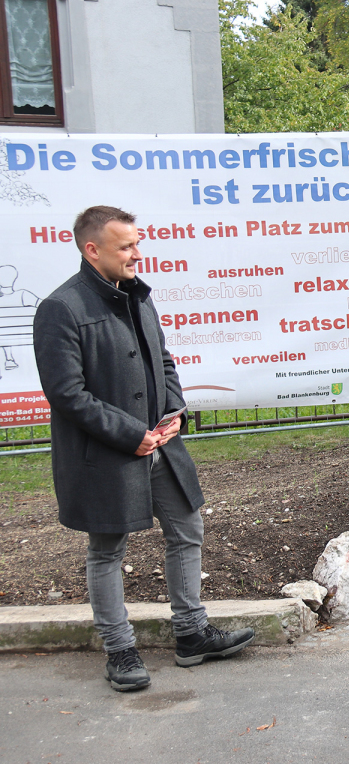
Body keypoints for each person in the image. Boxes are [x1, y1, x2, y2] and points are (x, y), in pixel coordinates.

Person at [33, 206, 254, 692]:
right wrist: (131, 433)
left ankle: (192, 633)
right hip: (107, 454)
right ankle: (120, 650)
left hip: (161, 445)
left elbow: (164, 360)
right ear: (93, 250)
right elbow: (66, 393)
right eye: (126, 246)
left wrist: (174, 412)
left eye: (137, 242)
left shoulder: (138, 296)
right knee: (107, 549)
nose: (138, 253)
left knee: (187, 527)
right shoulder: (61, 308)